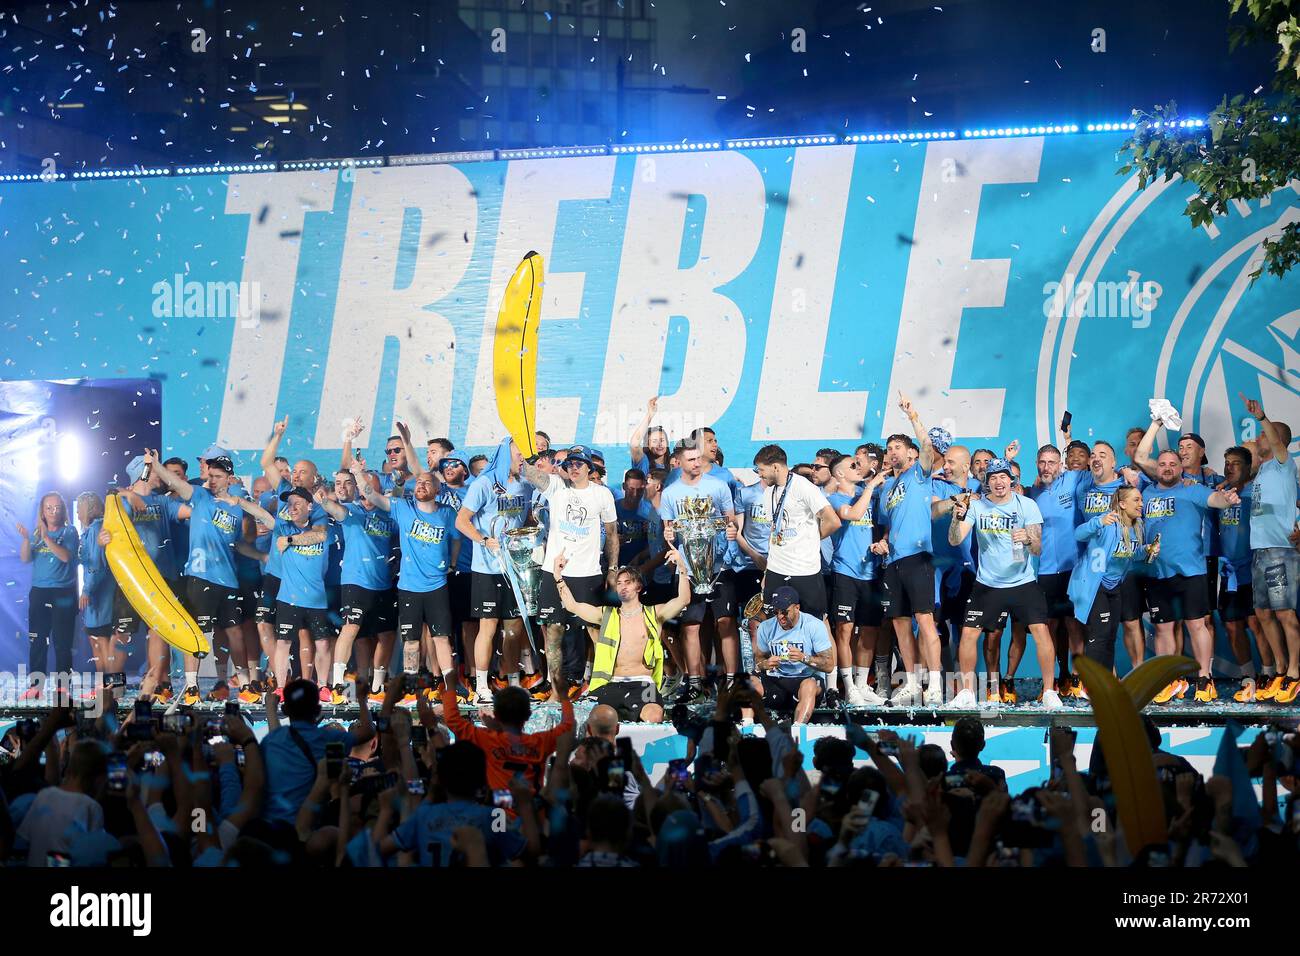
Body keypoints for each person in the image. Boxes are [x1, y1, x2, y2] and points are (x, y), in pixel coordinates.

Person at [947, 458, 1062, 709]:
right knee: (968, 634)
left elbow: (1039, 549)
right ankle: (967, 692)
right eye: (993, 478)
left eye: (1003, 477)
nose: (998, 482)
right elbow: (955, 540)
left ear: (1011, 480)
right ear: (986, 482)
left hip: (1022, 582)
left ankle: (1050, 691)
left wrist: (1028, 539)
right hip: (988, 584)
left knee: (1041, 632)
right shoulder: (977, 507)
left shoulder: (1027, 505)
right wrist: (957, 518)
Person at [350, 437, 461, 694]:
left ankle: (450, 687)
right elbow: (370, 495)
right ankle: (411, 688)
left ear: (437, 489)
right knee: (411, 641)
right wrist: (357, 472)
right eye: (418, 482)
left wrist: (453, 563)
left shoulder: (447, 513)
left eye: (427, 483)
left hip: (437, 586)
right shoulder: (402, 507)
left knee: (442, 638)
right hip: (409, 587)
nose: (421, 485)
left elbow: (456, 540)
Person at [145, 450, 255, 705]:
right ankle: (192, 687)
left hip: (228, 580)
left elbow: (241, 542)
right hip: (199, 578)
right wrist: (155, 464)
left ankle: (246, 685)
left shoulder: (237, 509)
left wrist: (260, 555)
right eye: (211, 475)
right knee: (197, 633)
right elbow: (174, 483)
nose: (213, 480)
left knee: (234, 633)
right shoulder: (201, 495)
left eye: (218, 476)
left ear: (230, 478)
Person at [1138, 447, 1240, 703]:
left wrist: (1226, 500)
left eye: (1173, 463)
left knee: (1196, 625)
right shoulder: (1146, 493)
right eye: (1163, 464)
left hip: (1191, 571)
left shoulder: (1191, 489)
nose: (1168, 468)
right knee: (1163, 629)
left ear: (1180, 468)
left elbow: (1214, 500)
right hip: (1157, 571)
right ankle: (1167, 680)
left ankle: (1204, 679)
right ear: (1156, 468)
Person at [520, 445, 619, 697]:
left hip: (588, 573)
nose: (574, 468)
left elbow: (612, 534)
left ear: (590, 468)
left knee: (596, 631)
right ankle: (557, 690)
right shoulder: (556, 487)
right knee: (553, 632)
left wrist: (612, 568)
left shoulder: (602, 494)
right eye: (570, 464)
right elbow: (531, 474)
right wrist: (531, 458)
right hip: (554, 572)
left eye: (579, 464)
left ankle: (605, 686)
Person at [553, 548, 690, 722]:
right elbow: (572, 606)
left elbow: (683, 600)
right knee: (595, 718)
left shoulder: (654, 614)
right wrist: (558, 576)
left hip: (643, 684)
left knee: (654, 715)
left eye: (628, 582)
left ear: (639, 586)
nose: (622, 586)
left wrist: (682, 567)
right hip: (611, 684)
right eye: (619, 583)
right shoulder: (606, 614)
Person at [873, 391, 944, 706]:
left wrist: (912, 415)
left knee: (925, 620)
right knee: (901, 623)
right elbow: (890, 524)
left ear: (911, 453)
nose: (892, 452)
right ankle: (914, 683)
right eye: (889, 449)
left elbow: (928, 447)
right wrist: (883, 541)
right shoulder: (887, 488)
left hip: (918, 559)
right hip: (894, 562)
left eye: (898, 447)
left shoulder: (919, 475)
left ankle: (937, 684)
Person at [657, 439, 740, 702]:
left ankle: (731, 681)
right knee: (690, 626)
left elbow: (731, 522)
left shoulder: (718, 486)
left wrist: (731, 534)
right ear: (679, 462)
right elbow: (668, 532)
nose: (697, 463)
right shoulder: (671, 492)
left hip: (718, 567)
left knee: (725, 623)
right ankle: (695, 683)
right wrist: (669, 536)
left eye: (698, 458)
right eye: (691, 459)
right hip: (689, 571)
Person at [455, 438, 535, 704]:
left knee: (513, 629)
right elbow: (461, 521)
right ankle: (481, 687)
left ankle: (512, 684)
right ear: (504, 455)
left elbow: (523, 521)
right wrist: (483, 540)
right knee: (487, 628)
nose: (522, 458)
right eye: (518, 453)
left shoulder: (524, 486)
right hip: (486, 569)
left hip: (514, 568)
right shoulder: (483, 484)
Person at [314, 466, 397, 705]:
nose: (364, 496)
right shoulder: (352, 511)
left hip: (383, 584)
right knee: (351, 629)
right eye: (360, 492)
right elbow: (336, 509)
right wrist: (324, 502)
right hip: (355, 581)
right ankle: (339, 685)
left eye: (367, 491)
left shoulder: (389, 514)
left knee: (385, 636)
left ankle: (376, 686)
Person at [1240, 394, 1300, 703]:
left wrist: (1263, 417)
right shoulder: (1261, 470)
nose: (1259, 436)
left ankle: (1294, 672)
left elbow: (1274, 442)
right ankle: (1279, 669)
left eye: (1265, 433)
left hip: (1280, 550)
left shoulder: (1283, 463)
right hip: (1259, 550)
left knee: (1285, 614)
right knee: (1263, 614)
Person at [379, 740, 526, 866]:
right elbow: (526, 852)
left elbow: (378, 849)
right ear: (481, 783)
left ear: (440, 780)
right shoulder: (494, 816)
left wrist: (404, 742)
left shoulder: (423, 814)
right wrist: (527, 807)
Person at [259, 678, 374, 823]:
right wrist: (362, 699)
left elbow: (275, 735)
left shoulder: (271, 741)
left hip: (271, 826)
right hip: (310, 826)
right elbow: (368, 731)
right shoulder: (328, 738)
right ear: (318, 710)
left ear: (285, 710)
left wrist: (270, 710)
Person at [825, 454, 889, 705]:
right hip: (845, 571)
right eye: (852, 465)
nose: (857, 467)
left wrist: (883, 540)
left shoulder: (870, 493)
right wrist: (870, 487)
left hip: (871, 572)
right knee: (845, 628)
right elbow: (853, 514)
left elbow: (886, 519)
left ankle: (862, 685)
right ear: (839, 474)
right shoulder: (834, 498)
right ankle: (849, 686)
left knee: (871, 629)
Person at [439, 678, 574, 795]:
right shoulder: (540, 741)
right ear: (528, 715)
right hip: (533, 813)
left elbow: (453, 720)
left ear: (496, 715)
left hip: (499, 813)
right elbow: (568, 725)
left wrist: (450, 686)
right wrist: (564, 697)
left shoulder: (488, 739)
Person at [1067, 486, 1150, 675]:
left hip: (1114, 585)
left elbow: (1128, 554)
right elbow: (1079, 534)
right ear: (1122, 503)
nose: (1141, 504)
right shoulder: (1108, 522)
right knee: (1101, 635)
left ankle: (1105, 682)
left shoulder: (1137, 526)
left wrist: (1146, 551)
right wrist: (1098, 521)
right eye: (1136, 500)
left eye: (1141, 500)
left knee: (1111, 636)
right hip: (1095, 586)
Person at [753, 444, 841, 619]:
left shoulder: (803, 487)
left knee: (815, 625)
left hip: (804, 571)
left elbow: (833, 521)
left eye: (761, 469)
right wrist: (767, 572)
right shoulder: (768, 492)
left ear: (776, 467)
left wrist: (813, 538)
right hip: (776, 570)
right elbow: (774, 533)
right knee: (775, 625)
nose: (759, 474)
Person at [1214, 446, 1265, 702]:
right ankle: (1249, 678)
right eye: (1226, 462)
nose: (1229, 467)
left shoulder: (1257, 492)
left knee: (1258, 624)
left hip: (1255, 570)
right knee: (1232, 627)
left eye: (1235, 463)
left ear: (1248, 468)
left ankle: (1269, 675)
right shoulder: (1220, 495)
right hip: (1229, 573)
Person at [17, 491, 79, 697]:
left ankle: (63, 687)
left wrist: (46, 538)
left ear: (63, 510)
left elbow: (65, 557)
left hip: (63, 592)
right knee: (37, 639)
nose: (53, 512)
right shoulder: (36, 533)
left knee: (62, 641)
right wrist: (27, 539)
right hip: (39, 592)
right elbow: (25, 558)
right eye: (49, 508)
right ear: (42, 512)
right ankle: (36, 686)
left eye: (57, 508)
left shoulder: (70, 531)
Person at [749, 586, 834, 723]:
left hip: (804, 679)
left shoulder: (814, 625)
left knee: (809, 685)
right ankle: (747, 727)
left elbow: (829, 665)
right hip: (776, 680)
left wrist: (803, 658)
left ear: (797, 608)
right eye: (776, 612)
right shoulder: (766, 627)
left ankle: (798, 731)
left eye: (784, 612)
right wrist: (765, 663)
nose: (780, 616)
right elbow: (759, 659)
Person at [15, 739, 105, 866]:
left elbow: (25, 837)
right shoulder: (91, 807)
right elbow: (95, 856)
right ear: (99, 778)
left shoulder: (44, 794)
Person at [74, 492, 121, 693]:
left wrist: (86, 590)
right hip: (103, 593)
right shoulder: (91, 531)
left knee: (101, 641)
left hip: (101, 594)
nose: (76, 513)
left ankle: (107, 686)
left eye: (79, 509)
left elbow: (96, 565)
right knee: (105, 640)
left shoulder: (95, 530)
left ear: (88, 509)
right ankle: (111, 685)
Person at [629, 396, 671, 472]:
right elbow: (634, 444)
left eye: (662, 440)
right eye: (654, 441)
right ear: (648, 445)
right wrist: (650, 415)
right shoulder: (643, 461)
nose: (660, 444)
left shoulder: (674, 463)